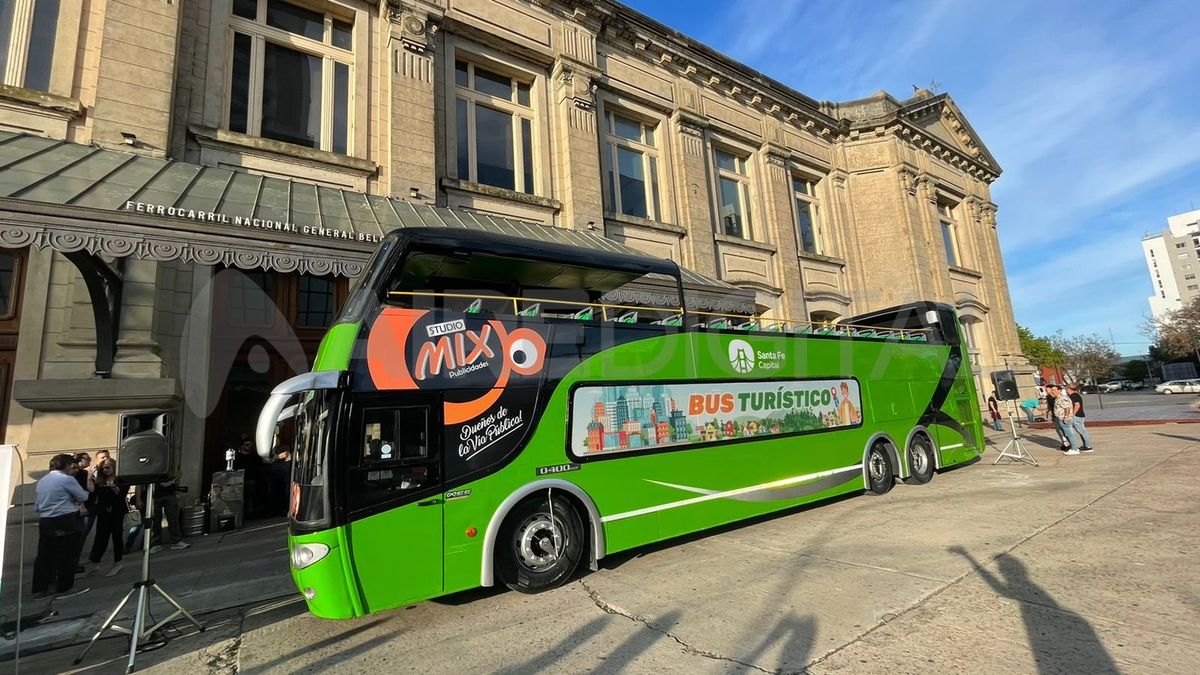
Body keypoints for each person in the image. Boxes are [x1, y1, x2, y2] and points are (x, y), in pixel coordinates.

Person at [32, 454, 90, 599]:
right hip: (65, 518)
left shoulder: (42, 481)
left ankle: (42, 587)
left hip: (46, 519)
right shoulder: (66, 479)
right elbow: (83, 496)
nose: (74, 470)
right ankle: (65, 587)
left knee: (45, 554)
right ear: (66, 465)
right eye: (72, 466)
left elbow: (37, 506)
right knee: (68, 554)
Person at [89, 459, 128, 574]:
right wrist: (89, 479)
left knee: (117, 537)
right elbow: (93, 493)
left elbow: (122, 495)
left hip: (117, 512)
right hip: (103, 512)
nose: (105, 470)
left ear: (114, 467)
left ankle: (118, 562)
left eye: (107, 467)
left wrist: (114, 488)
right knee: (101, 537)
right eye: (103, 468)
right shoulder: (100, 481)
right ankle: (95, 563)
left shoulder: (121, 480)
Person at [148, 475, 190, 552]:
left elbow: (179, 473)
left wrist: (172, 482)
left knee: (173, 518)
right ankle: (156, 543)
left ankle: (176, 541)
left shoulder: (169, 468)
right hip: (154, 495)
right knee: (156, 520)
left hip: (168, 493)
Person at [72, 452, 96, 571]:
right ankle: (73, 563)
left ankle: (75, 561)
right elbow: (76, 492)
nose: (90, 461)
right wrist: (81, 506)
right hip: (81, 508)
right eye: (88, 459)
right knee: (80, 536)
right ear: (80, 460)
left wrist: (89, 477)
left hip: (90, 506)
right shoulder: (74, 474)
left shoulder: (85, 473)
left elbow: (91, 489)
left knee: (83, 535)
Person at [233, 438, 265, 518]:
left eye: (251, 445)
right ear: (242, 446)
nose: (249, 446)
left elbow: (259, 466)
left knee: (249, 498)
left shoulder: (254, 456)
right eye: (247, 445)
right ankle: (240, 515)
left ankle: (249, 514)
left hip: (251, 479)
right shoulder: (238, 456)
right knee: (239, 498)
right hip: (239, 480)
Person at [1048, 384, 1078, 454]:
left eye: (1054, 390)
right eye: (1051, 390)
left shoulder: (1062, 398)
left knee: (1069, 434)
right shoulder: (1057, 398)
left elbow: (1067, 408)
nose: (1052, 392)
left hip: (1063, 418)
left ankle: (1074, 449)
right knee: (1065, 433)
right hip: (1060, 418)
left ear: (1059, 390)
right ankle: (1072, 447)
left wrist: (1066, 417)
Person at [1066, 383, 1095, 453]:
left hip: (1077, 416)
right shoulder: (1075, 395)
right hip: (1079, 415)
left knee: (1082, 431)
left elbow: (1077, 405)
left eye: (1066, 388)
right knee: (1081, 431)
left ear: (1069, 388)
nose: (1066, 390)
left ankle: (1088, 446)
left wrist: (1073, 414)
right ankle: (1085, 445)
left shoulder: (1074, 396)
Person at [268, 444, 293, 517]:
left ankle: (284, 510)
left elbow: (288, 456)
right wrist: (278, 456)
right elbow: (265, 459)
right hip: (272, 472)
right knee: (273, 492)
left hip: (285, 471)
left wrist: (275, 457)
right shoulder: (268, 446)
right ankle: (275, 510)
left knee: (285, 492)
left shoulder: (285, 446)